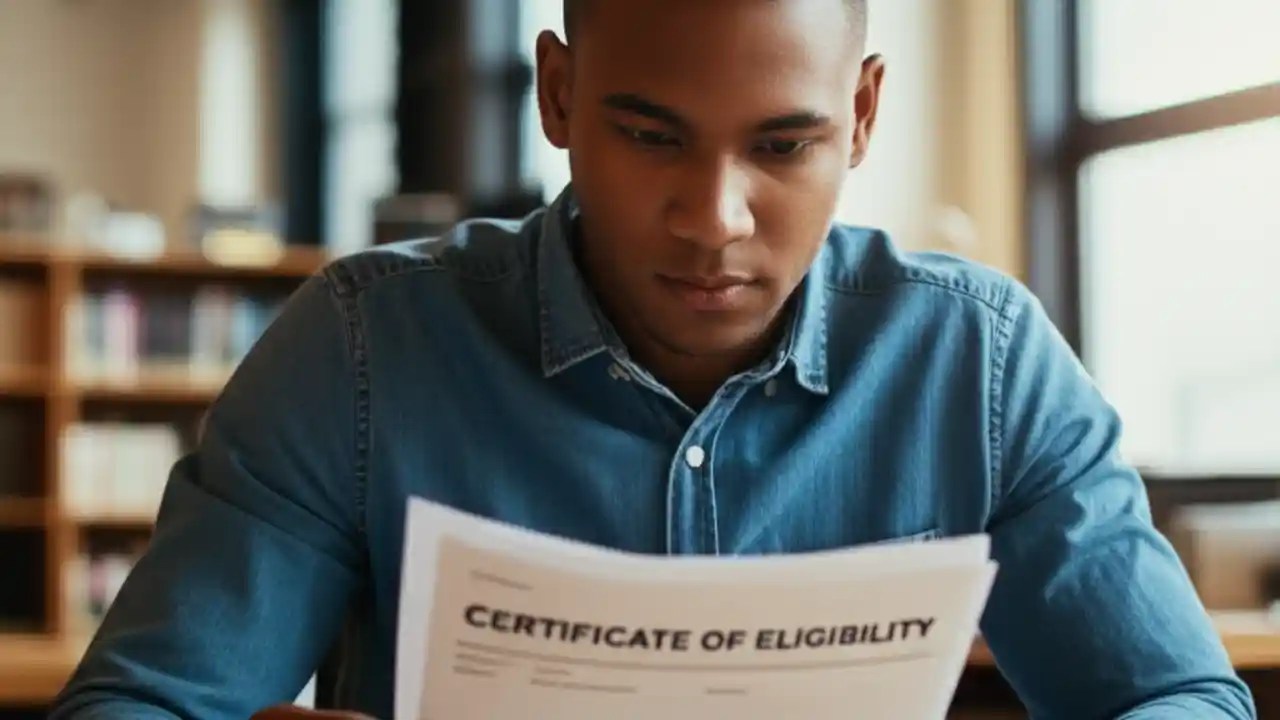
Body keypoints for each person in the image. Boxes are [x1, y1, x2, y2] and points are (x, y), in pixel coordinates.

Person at [51, 0, 1256, 718]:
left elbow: (1179, 696)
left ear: (865, 115)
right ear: (559, 93)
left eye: (784, 145)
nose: (713, 217)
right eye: (647, 135)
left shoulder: (980, 363)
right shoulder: (362, 351)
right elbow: (137, 705)